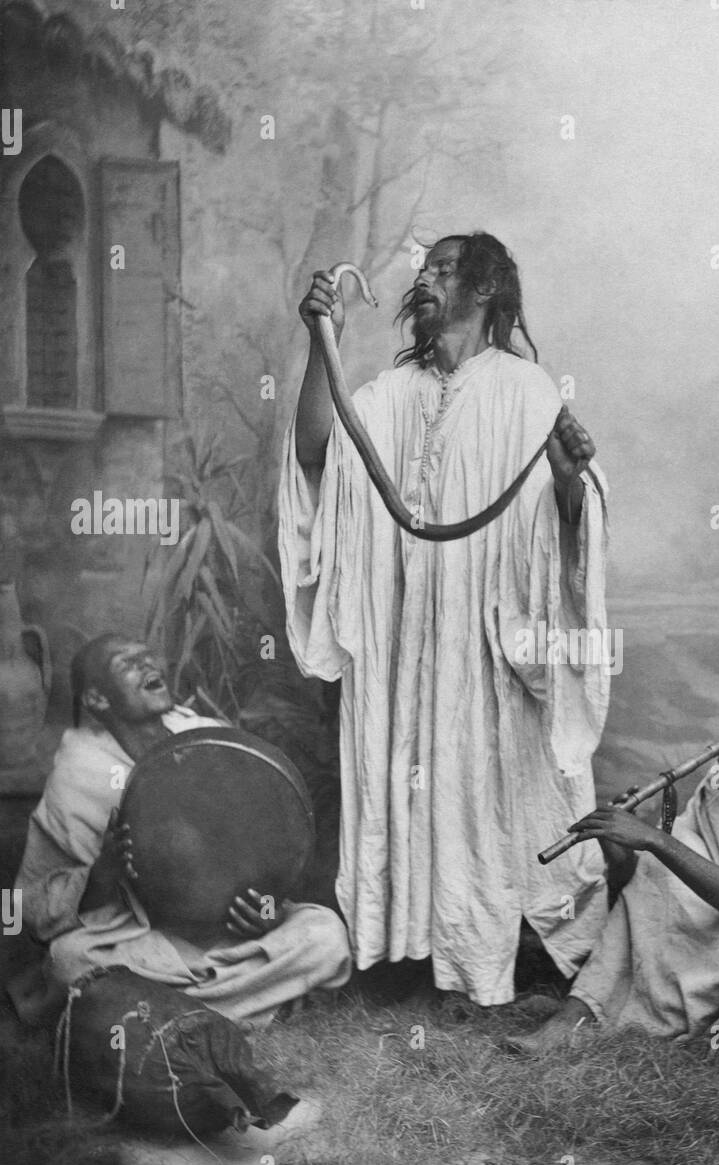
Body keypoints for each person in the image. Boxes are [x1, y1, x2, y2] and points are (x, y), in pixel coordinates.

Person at [280, 231, 610, 1006]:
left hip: (489, 636)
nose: (424, 279)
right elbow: (318, 451)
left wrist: (568, 484)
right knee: (406, 773)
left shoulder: (526, 390)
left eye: (444, 269)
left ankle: (502, 960)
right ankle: (406, 953)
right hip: (405, 637)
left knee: (493, 786)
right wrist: (317, 341)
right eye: (422, 270)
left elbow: (572, 520)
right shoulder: (393, 396)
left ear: (488, 288)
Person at [511, 652, 719, 1051]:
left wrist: (655, 839)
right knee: (658, 868)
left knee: (665, 859)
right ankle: (581, 1008)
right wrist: (619, 847)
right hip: (714, 930)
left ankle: (610, 1013)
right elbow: (651, 883)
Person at [6, 635, 351, 1028]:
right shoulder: (78, 778)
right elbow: (24, 907)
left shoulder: (214, 739)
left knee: (326, 936)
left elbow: (269, 851)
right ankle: (252, 1002)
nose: (148, 664)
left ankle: (148, 1010)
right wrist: (102, 874)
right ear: (98, 701)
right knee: (70, 960)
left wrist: (267, 911)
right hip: (148, 941)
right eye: (127, 663)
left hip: (232, 936)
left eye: (147, 656)